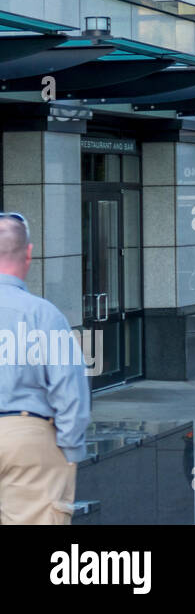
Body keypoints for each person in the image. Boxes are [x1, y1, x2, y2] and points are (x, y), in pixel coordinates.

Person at [0, 213, 90, 524]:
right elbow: (70, 390)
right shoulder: (44, 315)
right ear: (28, 253)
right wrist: (70, 448)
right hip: (28, 437)